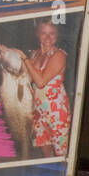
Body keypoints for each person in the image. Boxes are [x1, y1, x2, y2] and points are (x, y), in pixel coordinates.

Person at [23, 20, 71, 158]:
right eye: (44, 33)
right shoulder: (34, 54)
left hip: (56, 111)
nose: (48, 37)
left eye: (52, 33)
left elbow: (41, 82)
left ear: (57, 36)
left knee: (61, 155)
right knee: (46, 156)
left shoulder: (59, 55)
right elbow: (28, 80)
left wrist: (25, 59)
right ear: (38, 34)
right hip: (38, 111)